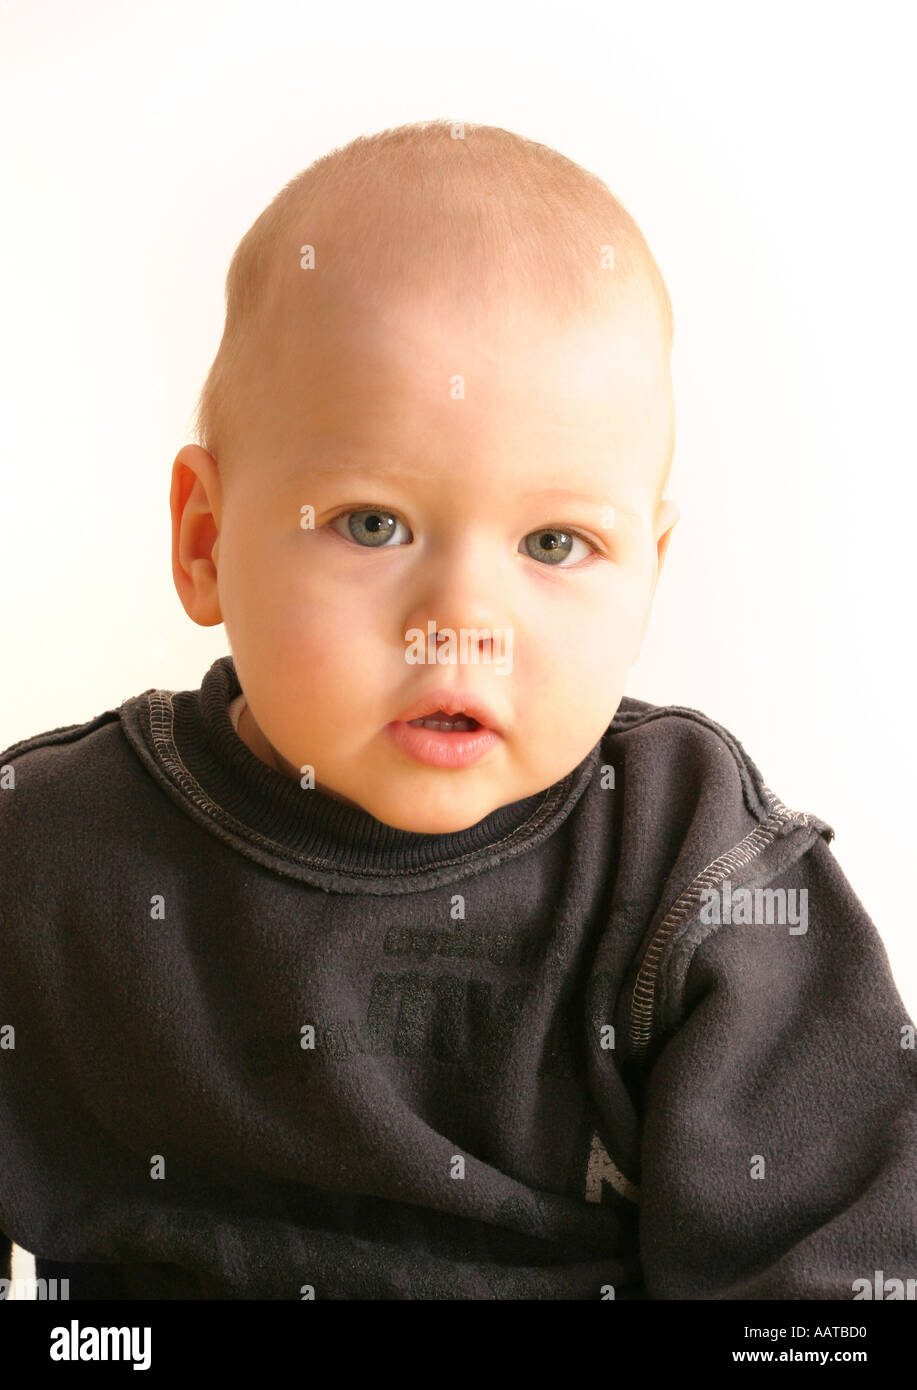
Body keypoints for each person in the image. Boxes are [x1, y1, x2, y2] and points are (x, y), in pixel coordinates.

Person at [1, 118, 914, 1300]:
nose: (462, 620)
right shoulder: (45, 853)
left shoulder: (692, 872)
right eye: (372, 523)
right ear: (206, 540)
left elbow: (838, 1294)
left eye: (554, 541)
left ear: (649, 568)